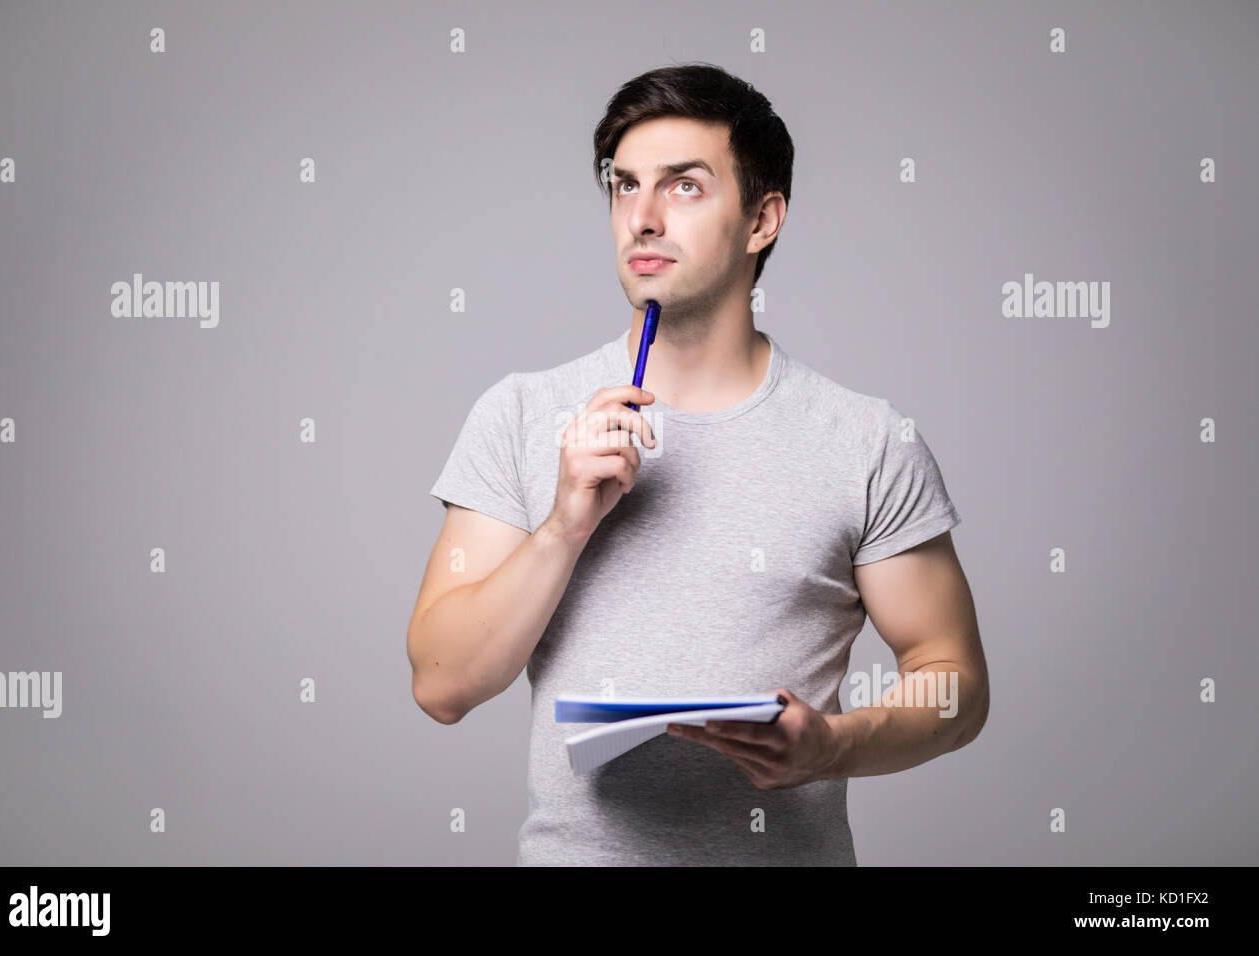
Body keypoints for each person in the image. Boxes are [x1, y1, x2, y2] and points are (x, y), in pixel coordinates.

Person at [407, 63, 988, 866]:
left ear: (762, 220)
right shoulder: (518, 415)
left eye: (683, 187)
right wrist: (563, 526)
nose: (641, 218)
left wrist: (835, 743)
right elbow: (443, 684)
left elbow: (953, 683)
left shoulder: (868, 441)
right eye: (624, 186)